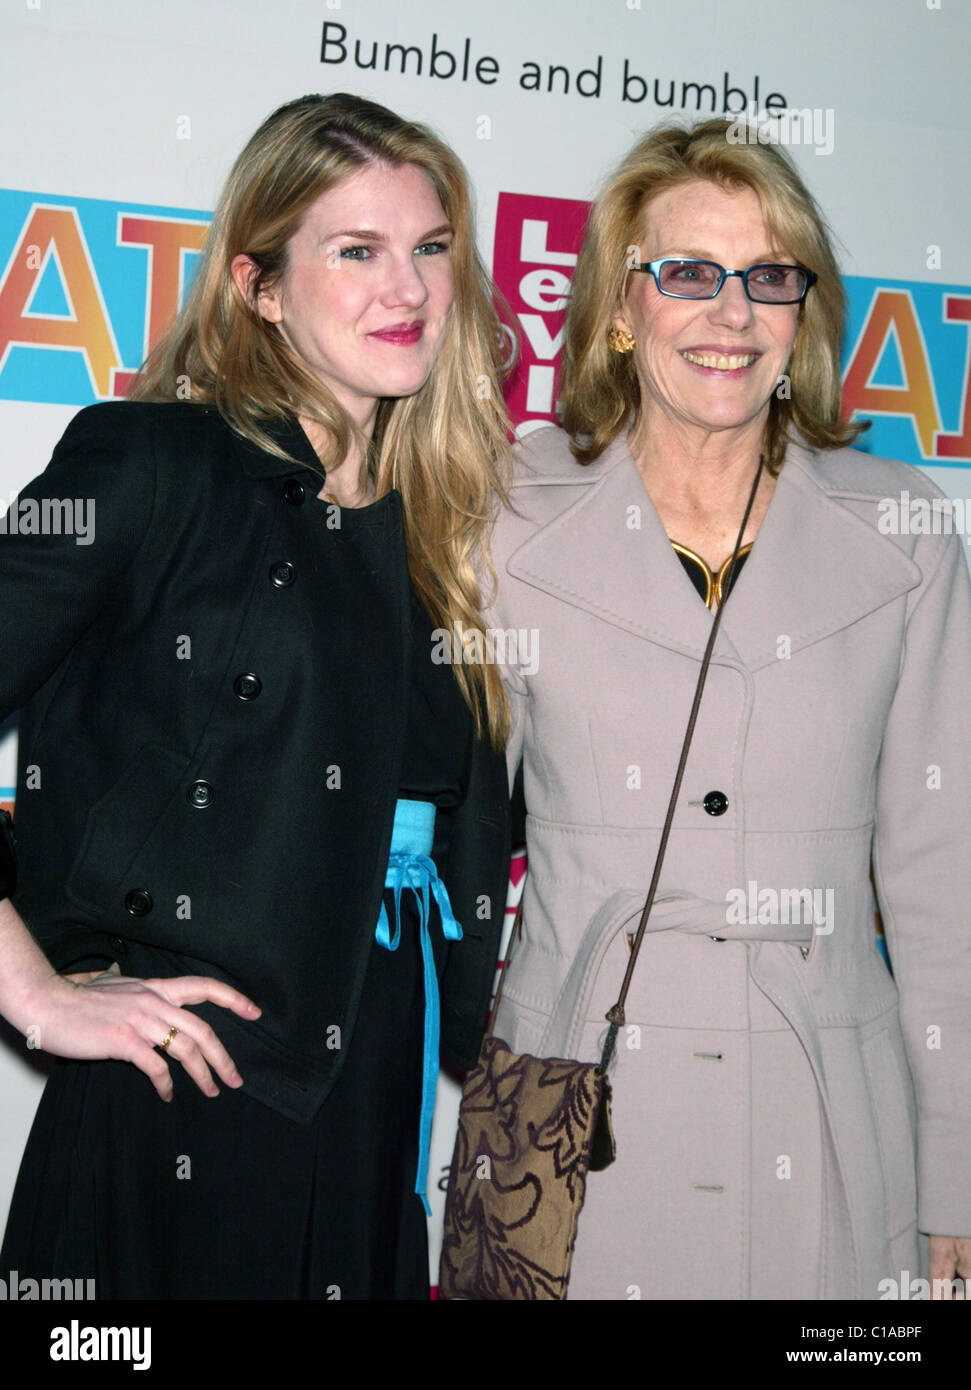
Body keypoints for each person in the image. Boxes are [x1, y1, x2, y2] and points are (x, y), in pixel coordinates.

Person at [0, 91, 511, 1300]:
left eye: (430, 249)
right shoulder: (151, 465)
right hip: (186, 1094)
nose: (409, 289)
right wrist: (30, 991)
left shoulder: (443, 528)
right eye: (357, 250)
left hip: (377, 1089)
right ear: (259, 285)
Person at [485, 118, 971, 1300]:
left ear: (800, 314)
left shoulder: (898, 528)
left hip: (827, 1103)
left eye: (767, 278)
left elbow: (940, 871)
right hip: (568, 1107)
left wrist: (954, 1174)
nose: (730, 312)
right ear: (616, 305)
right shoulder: (501, 513)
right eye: (687, 274)